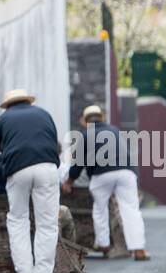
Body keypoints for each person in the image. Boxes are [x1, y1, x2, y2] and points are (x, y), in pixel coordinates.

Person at [0, 88, 60, 273]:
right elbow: (55, 143)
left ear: (7, 105)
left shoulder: (2, 120)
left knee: (18, 218)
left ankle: (26, 271)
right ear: (28, 102)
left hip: (18, 170)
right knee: (47, 223)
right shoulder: (44, 114)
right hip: (47, 167)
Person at [63, 104, 150, 260]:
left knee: (100, 208)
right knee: (131, 209)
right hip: (126, 172)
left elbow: (77, 164)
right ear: (102, 118)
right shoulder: (115, 131)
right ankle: (138, 249)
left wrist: (69, 182)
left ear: (85, 121)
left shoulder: (86, 135)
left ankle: (104, 245)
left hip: (101, 175)